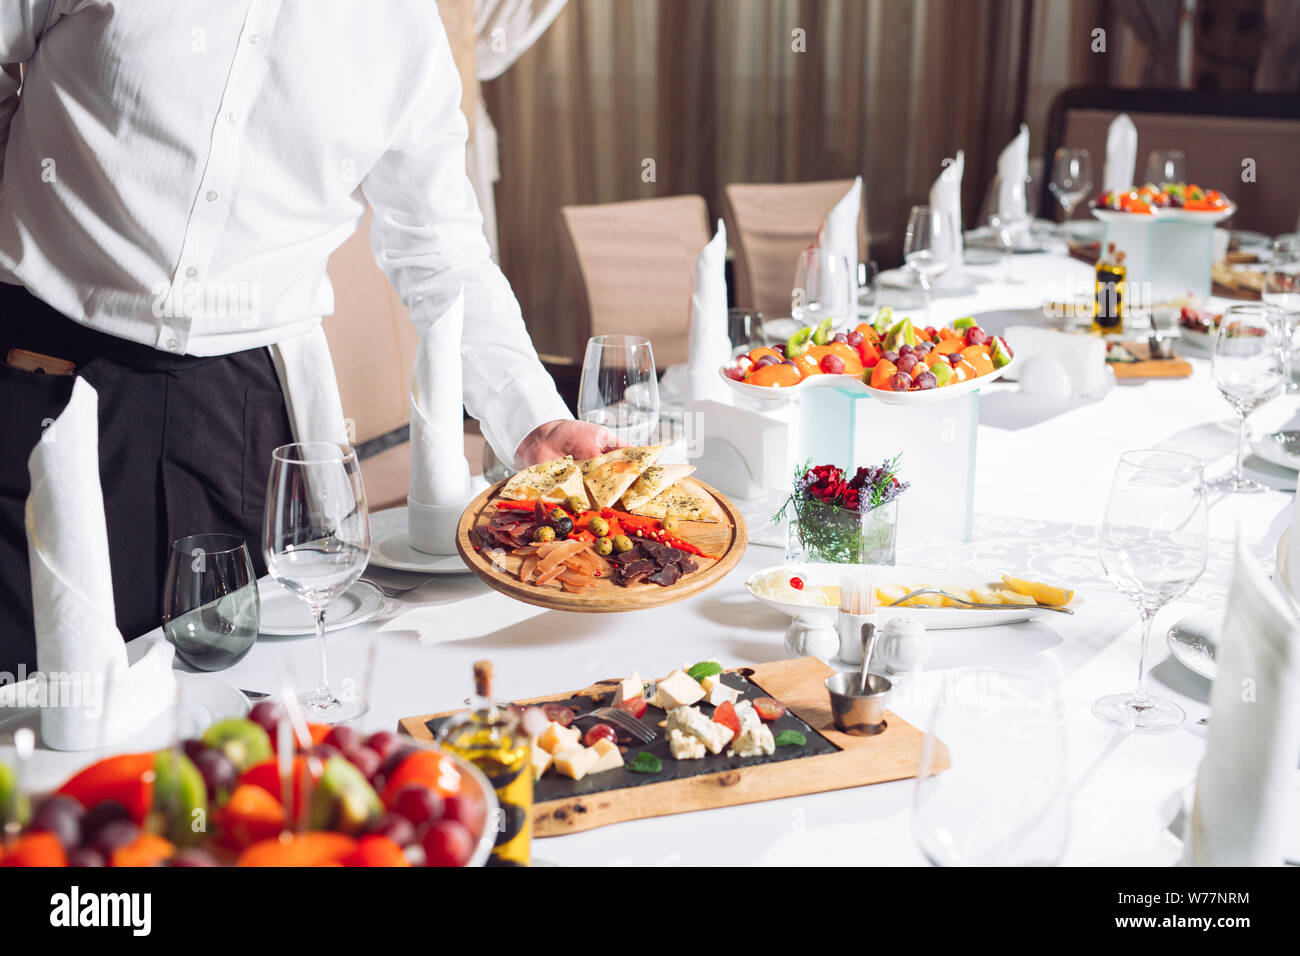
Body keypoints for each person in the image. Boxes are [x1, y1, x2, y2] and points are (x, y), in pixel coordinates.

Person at [0, 1, 617, 674]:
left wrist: (532, 420)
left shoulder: (403, 29)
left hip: (238, 412)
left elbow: (442, 251)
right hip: (40, 368)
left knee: (217, 695)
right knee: (26, 693)